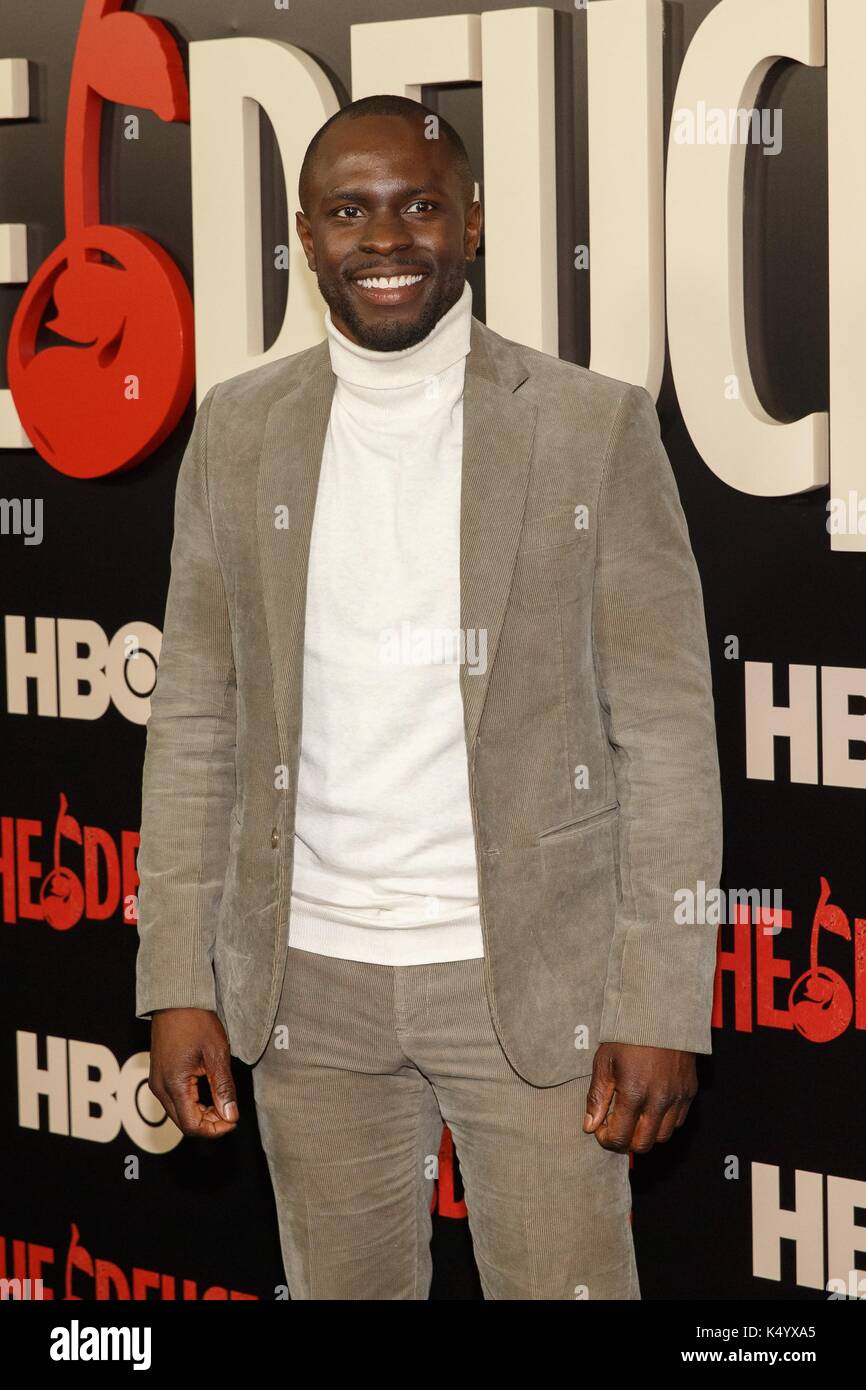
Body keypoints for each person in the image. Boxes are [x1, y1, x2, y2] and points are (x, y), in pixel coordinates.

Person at [135, 94, 723, 1300]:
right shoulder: (236, 434)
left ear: (473, 222)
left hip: (533, 984)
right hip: (305, 984)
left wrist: (663, 997)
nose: (385, 238)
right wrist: (177, 976)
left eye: (417, 205)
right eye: (350, 210)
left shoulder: (588, 429)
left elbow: (664, 739)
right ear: (306, 235)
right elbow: (198, 721)